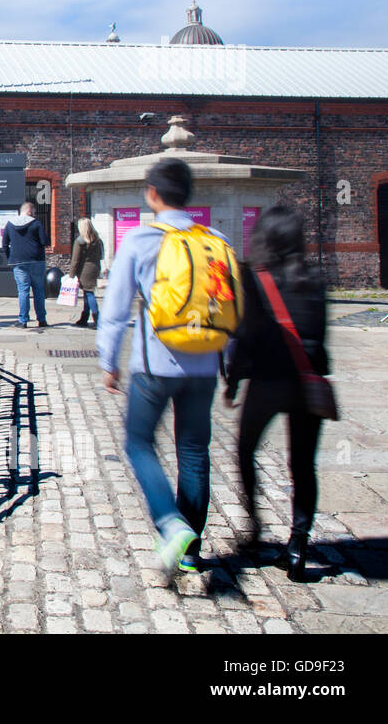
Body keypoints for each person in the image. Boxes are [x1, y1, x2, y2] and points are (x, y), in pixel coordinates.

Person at [97, 157, 235, 579]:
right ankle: (191, 550)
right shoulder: (216, 240)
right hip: (205, 366)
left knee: (139, 444)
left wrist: (109, 362)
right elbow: (229, 308)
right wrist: (228, 365)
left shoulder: (140, 241)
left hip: (155, 364)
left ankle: (171, 523)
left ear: (152, 194)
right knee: (193, 451)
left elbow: (117, 309)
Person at [225, 204, 328, 582]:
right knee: (303, 465)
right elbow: (320, 335)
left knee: (245, 451)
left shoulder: (255, 278)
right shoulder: (313, 277)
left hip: (267, 381)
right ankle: (298, 545)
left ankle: (253, 527)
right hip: (306, 381)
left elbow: (245, 336)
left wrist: (233, 381)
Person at [2, 202, 50, 328]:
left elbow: (4, 244)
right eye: (34, 213)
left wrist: (11, 257)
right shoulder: (36, 224)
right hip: (37, 261)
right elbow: (45, 241)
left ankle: (23, 320)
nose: (35, 215)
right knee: (39, 291)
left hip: (18, 262)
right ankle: (42, 320)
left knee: (23, 291)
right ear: (29, 211)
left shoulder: (10, 224)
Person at [69, 217, 103, 328]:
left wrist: (71, 275)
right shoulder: (97, 240)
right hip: (95, 268)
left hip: (84, 270)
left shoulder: (80, 241)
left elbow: (75, 260)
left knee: (89, 293)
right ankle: (84, 318)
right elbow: (101, 255)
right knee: (87, 293)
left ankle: (97, 318)